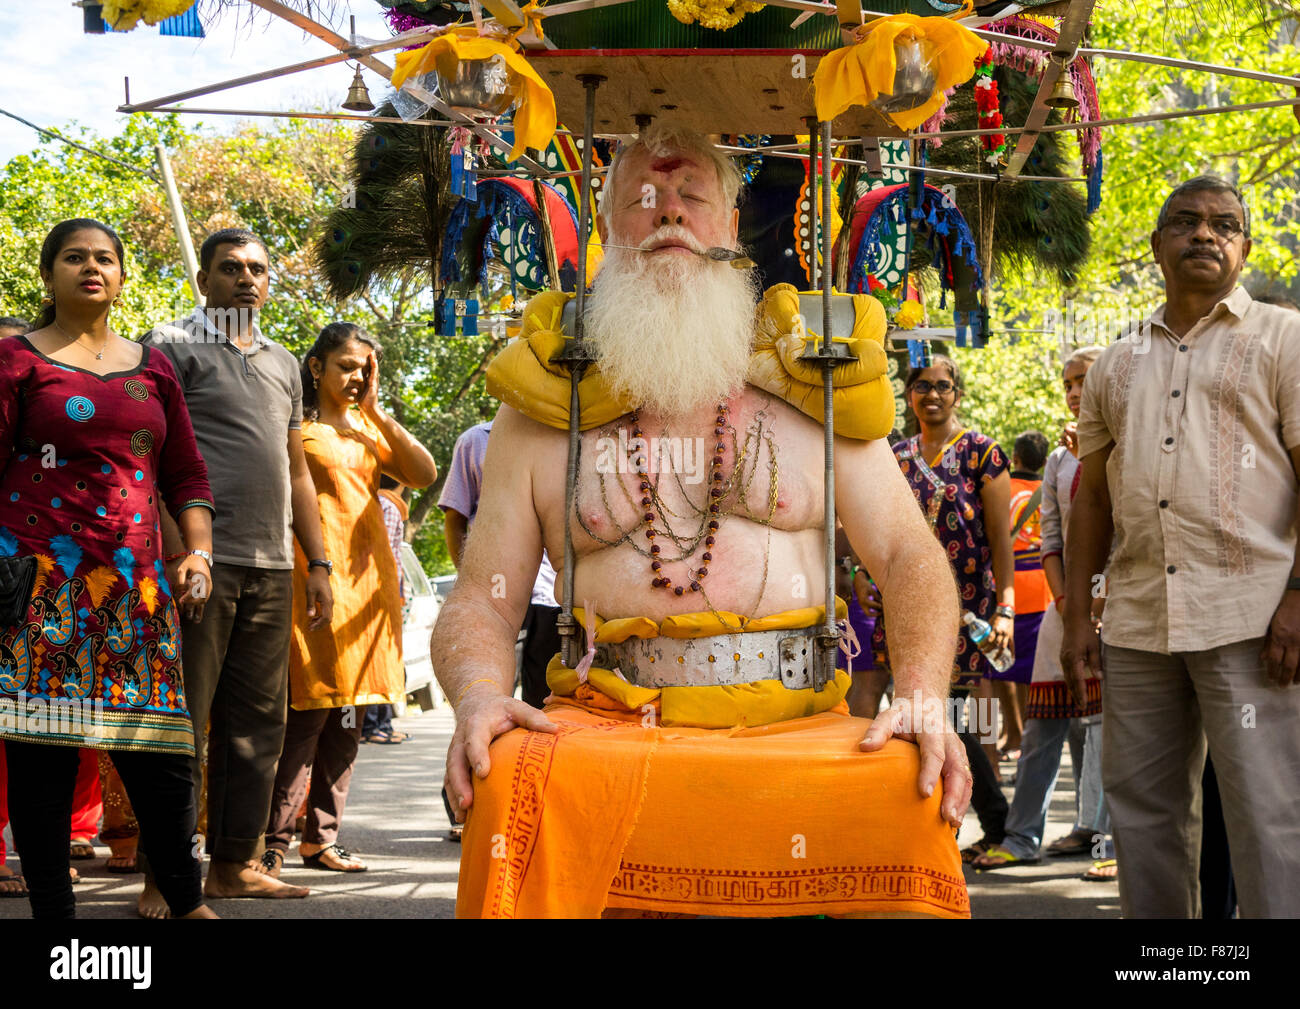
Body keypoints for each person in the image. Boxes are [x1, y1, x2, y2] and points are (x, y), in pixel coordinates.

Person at [431, 125, 972, 919]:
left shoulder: (814, 381)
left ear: (730, 226)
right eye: (645, 198)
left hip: (795, 725)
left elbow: (907, 555)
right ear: (608, 229)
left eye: (693, 198)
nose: (669, 214)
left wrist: (922, 695)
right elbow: (483, 593)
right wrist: (479, 694)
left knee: (908, 793)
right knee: (510, 778)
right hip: (606, 723)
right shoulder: (546, 407)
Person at [1063, 175, 1300, 918]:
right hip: (1137, 623)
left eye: (1225, 225)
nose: (1206, 234)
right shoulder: (1116, 363)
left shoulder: (1284, 338)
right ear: (1157, 244)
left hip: (1254, 619)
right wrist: (1076, 618)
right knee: (1144, 819)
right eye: (1187, 222)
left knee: (1267, 814)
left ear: (1245, 248)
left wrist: (1298, 596)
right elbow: (1093, 498)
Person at [0, 218, 217, 919]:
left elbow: (185, 471)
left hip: (139, 593)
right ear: (48, 273)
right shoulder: (14, 361)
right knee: (44, 760)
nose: (90, 267)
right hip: (38, 592)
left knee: (162, 760)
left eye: (104, 258)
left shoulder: (153, 367)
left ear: (121, 276)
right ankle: (55, 924)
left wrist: (200, 552)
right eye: (73, 257)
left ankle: (187, 902)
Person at [145, 227, 331, 912]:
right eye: (230, 268)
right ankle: (164, 875)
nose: (245, 279)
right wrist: (176, 549)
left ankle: (234, 864)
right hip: (201, 561)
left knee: (259, 725)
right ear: (205, 281)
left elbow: (298, 471)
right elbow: (151, 459)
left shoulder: (284, 362)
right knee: (182, 723)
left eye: (257, 268)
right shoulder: (170, 348)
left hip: (273, 564)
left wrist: (319, 560)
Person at [261, 324, 436, 875]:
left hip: (371, 592)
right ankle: (274, 839)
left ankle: (322, 838)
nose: (357, 376)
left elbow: (424, 473)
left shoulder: (368, 430)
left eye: (365, 367)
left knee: (349, 716)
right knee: (307, 712)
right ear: (316, 369)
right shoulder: (299, 429)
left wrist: (379, 411)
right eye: (345, 366)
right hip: (312, 583)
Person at [861, 357, 1014, 865]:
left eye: (943, 386)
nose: (933, 394)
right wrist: (861, 575)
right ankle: (924, 826)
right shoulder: (894, 456)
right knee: (906, 714)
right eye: (922, 386)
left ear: (958, 394)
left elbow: (1000, 539)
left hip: (967, 612)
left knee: (952, 718)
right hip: (900, 604)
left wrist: (1005, 610)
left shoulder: (983, 454)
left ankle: (984, 822)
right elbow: (873, 532)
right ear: (908, 395)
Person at [973, 346, 1110, 871]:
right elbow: (1050, 536)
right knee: (1044, 722)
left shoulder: (1127, 446)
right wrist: (1066, 602)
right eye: (1069, 383)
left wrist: (1095, 602)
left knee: (1105, 726)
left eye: (1086, 380)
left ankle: (1105, 838)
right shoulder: (1057, 459)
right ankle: (1022, 836)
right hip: (1064, 606)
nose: (1075, 392)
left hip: (1116, 601)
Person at [440, 420, 562, 710]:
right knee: (494, 692)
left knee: (542, 696)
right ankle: (487, 753)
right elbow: (454, 521)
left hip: (549, 594)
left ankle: (531, 754)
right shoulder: (475, 441)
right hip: (496, 592)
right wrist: (471, 580)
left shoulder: (558, 436)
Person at [992, 430, 1052, 758]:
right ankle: (1029, 740)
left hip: (1006, 588)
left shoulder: (1001, 489)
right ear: (1044, 461)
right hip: (1043, 589)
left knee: (998, 667)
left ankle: (1009, 735)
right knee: (1033, 671)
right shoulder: (1050, 491)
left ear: (1014, 458)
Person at [361, 475, 410, 744]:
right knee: (378, 663)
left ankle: (383, 725)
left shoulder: (381, 503)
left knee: (386, 662)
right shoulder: (387, 506)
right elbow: (385, 555)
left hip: (380, 595)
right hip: (379, 595)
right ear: (401, 482)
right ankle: (373, 727)